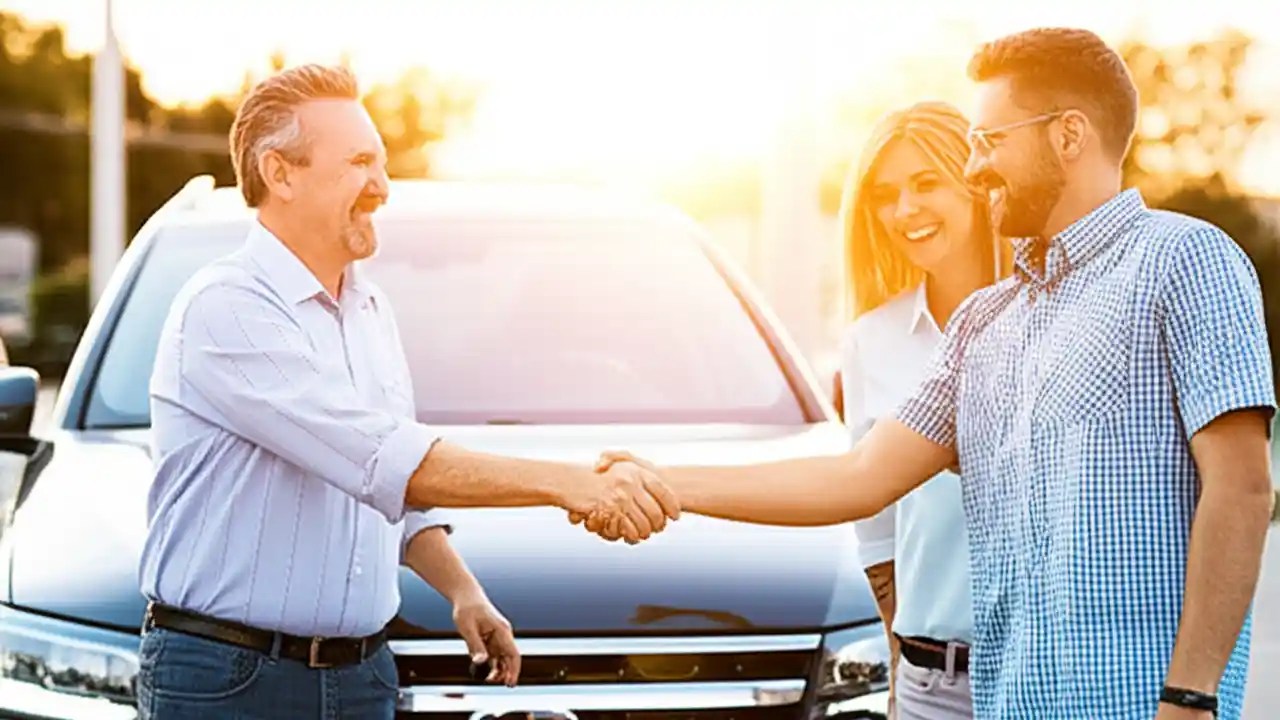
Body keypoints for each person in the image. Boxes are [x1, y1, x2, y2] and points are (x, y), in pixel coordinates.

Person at [588, 28, 1275, 720]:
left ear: (1069, 136)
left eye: (990, 141)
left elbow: (1243, 486)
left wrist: (1189, 699)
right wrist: (662, 482)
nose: (975, 169)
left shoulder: (1185, 262)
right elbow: (857, 479)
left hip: (1141, 704)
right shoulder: (986, 323)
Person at [137, 64, 678, 720]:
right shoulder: (226, 308)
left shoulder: (369, 310)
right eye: (361, 163)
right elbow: (386, 459)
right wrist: (573, 483)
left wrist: (462, 591)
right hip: (233, 682)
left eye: (382, 164)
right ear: (280, 173)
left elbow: (392, 495)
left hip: (363, 676)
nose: (383, 187)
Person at [838, 100, 1008, 719]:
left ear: (975, 182)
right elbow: (876, 534)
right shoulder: (870, 342)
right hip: (931, 688)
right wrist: (898, 678)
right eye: (886, 194)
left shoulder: (1047, 314)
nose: (904, 210)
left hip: (1047, 673)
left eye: (926, 183)